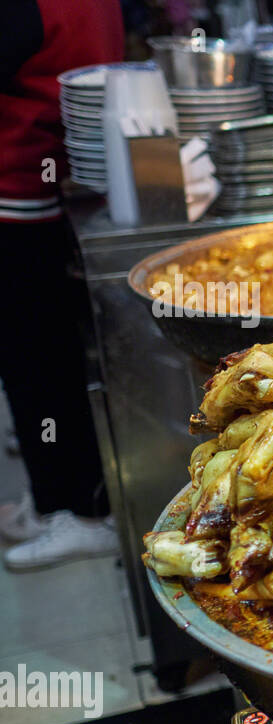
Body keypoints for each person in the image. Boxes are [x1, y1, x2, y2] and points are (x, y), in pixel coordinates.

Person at [0, 0, 125, 570]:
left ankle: (76, 513)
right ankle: (64, 500)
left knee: (35, 365)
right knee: (45, 358)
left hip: (20, 182)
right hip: (50, 174)